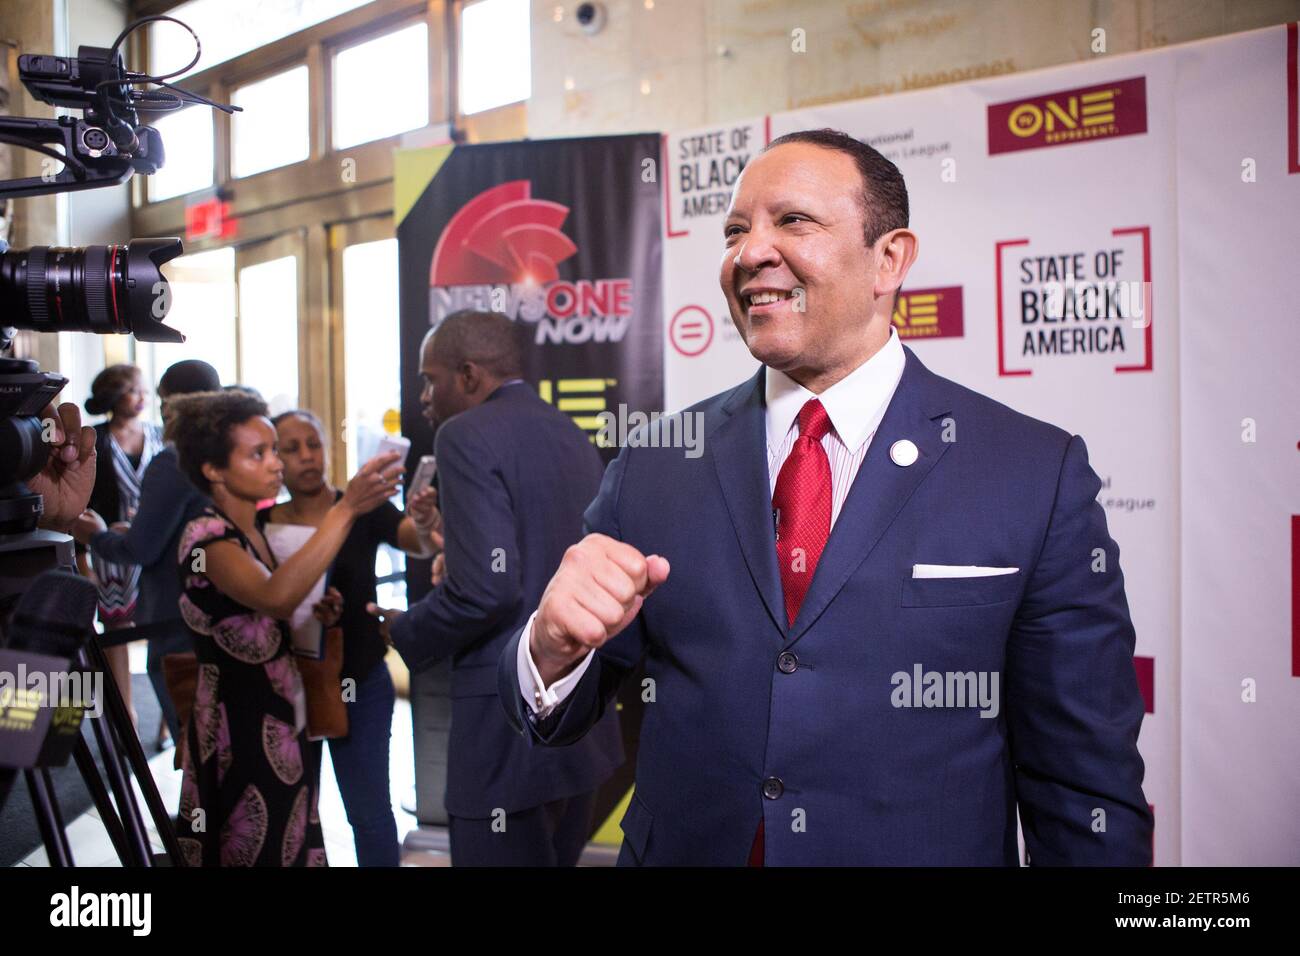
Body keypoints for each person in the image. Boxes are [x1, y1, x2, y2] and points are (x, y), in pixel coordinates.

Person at [500, 128, 1154, 866]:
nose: (750, 253)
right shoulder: (654, 462)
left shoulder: (1034, 472)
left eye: (794, 221)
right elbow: (559, 716)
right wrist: (549, 650)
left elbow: (1084, 785)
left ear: (890, 259)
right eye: (736, 231)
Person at [370, 311, 623, 867]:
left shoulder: (462, 435)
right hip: (577, 723)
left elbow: (487, 591)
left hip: (507, 723)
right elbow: (529, 554)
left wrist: (403, 627)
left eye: (429, 379)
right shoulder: (567, 431)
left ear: (467, 374)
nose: (423, 397)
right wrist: (446, 546)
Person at [167, 389, 402, 867]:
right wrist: (347, 508)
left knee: (289, 839)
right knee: (253, 845)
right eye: (260, 453)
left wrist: (323, 611)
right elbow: (275, 596)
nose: (276, 464)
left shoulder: (254, 531)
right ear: (214, 470)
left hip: (279, 711)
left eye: (275, 450)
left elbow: (273, 611)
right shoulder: (207, 537)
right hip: (239, 724)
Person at [257, 409, 441, 867]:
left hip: (359, 677)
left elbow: (416, 543)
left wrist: (424, 519)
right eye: (291, 447)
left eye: (313, 444)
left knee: (370, 812)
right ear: (275, 458)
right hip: (286, 685)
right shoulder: (260, 526)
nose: (306, 457)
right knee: (292, 811)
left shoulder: (362, 506)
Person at [72, 360, 223, 750]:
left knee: (195, 742)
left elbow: (141, 546)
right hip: (218, 605)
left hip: (174, 604)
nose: (150, 404)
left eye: (156, 396)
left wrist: (97, 537)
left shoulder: (173, 455)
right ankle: (129, 718)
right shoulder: (227, 452)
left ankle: (198, 807)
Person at [82, 364, 165, 726]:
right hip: (109, 547)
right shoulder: (96, 439)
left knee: (164, 622)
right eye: (134, 390)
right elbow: (84, 497)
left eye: (145, 390)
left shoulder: (160, 435)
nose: (142, 397)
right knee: (117, 627)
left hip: (156, 542)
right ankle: (125, 710)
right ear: (115, 396)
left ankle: (168, 715)